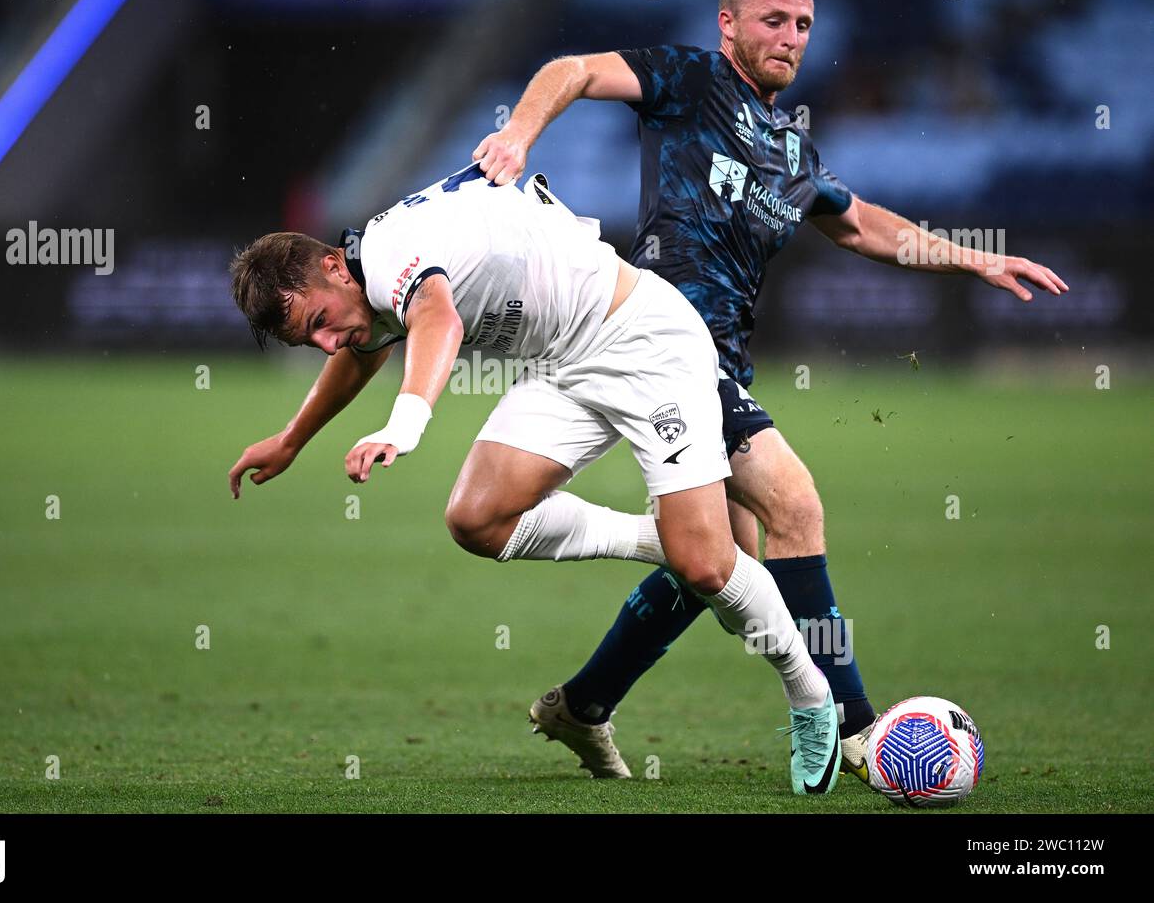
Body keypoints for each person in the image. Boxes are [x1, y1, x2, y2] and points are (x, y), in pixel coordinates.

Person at [471, 0, 1068, 780]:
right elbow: (573, 69)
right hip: (658, 340)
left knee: (716, 561)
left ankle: (583, 705)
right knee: (795, 504)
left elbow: (861, 226)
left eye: (802, 25)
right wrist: (517, 134)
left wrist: (975, 261)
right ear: (729, 24)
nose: (790, 38)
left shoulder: (792, 148)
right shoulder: (689, 80)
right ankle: (857, 727)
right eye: (772, 20)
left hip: (708, 362)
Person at [227, 163, 844, 794]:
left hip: (644, 343)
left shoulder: (386, 255)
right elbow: (368, 348)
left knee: (711, 570)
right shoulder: (365, 280)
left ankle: (810, 695)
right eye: (312, 342)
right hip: (564, 363)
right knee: (476, 518)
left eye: (319, 322)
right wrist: (292, 440)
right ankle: (672, 541)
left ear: (333, 265)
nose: (329, 343)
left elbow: (439, 320)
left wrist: (404, 424)